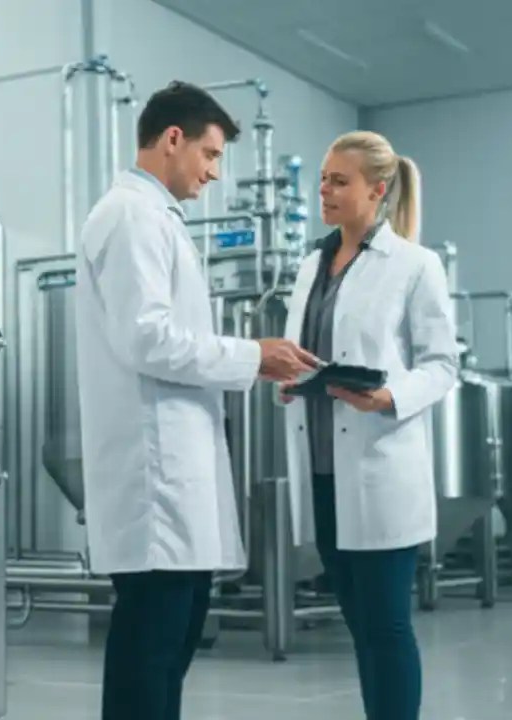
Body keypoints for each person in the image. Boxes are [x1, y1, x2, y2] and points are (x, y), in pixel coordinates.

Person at [74, 81, 319, 720]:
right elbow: (147, 339)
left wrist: (252, 363)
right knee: (150, 651)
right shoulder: (130, 217)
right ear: (172, 139)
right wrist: (249, 356)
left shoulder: (156, 219)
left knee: (172, 645)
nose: (213, 173)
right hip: (152, 478)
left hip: (173, 472)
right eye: (209, 155)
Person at [279, 130, 459, 720]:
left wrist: (387, 396)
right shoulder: (312, 263)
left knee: (385, 627)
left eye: (339, 181)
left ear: (377, 189)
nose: (324, 191)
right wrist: (290, 374)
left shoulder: (414, 264)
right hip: (323, 472)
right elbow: (307, 346)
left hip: (380, 468)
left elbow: (441, 365)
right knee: (358, 626)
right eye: (323, 179)